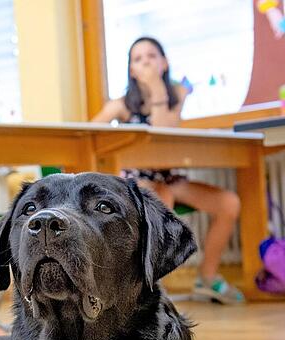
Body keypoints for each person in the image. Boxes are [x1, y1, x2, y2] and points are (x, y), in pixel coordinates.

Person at [92, 36, 244, 304]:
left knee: (228, 203)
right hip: (135, 178)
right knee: (161, 198)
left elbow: (162, 133)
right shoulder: (121, 105)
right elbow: (89, 135)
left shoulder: (176, 96)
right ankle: (147, 287)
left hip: (169, 176)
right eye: (138, 59)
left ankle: (207, 277)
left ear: (164, 63)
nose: (146, 62)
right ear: (131, 70)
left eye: (151, 56)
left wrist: (158, 90)